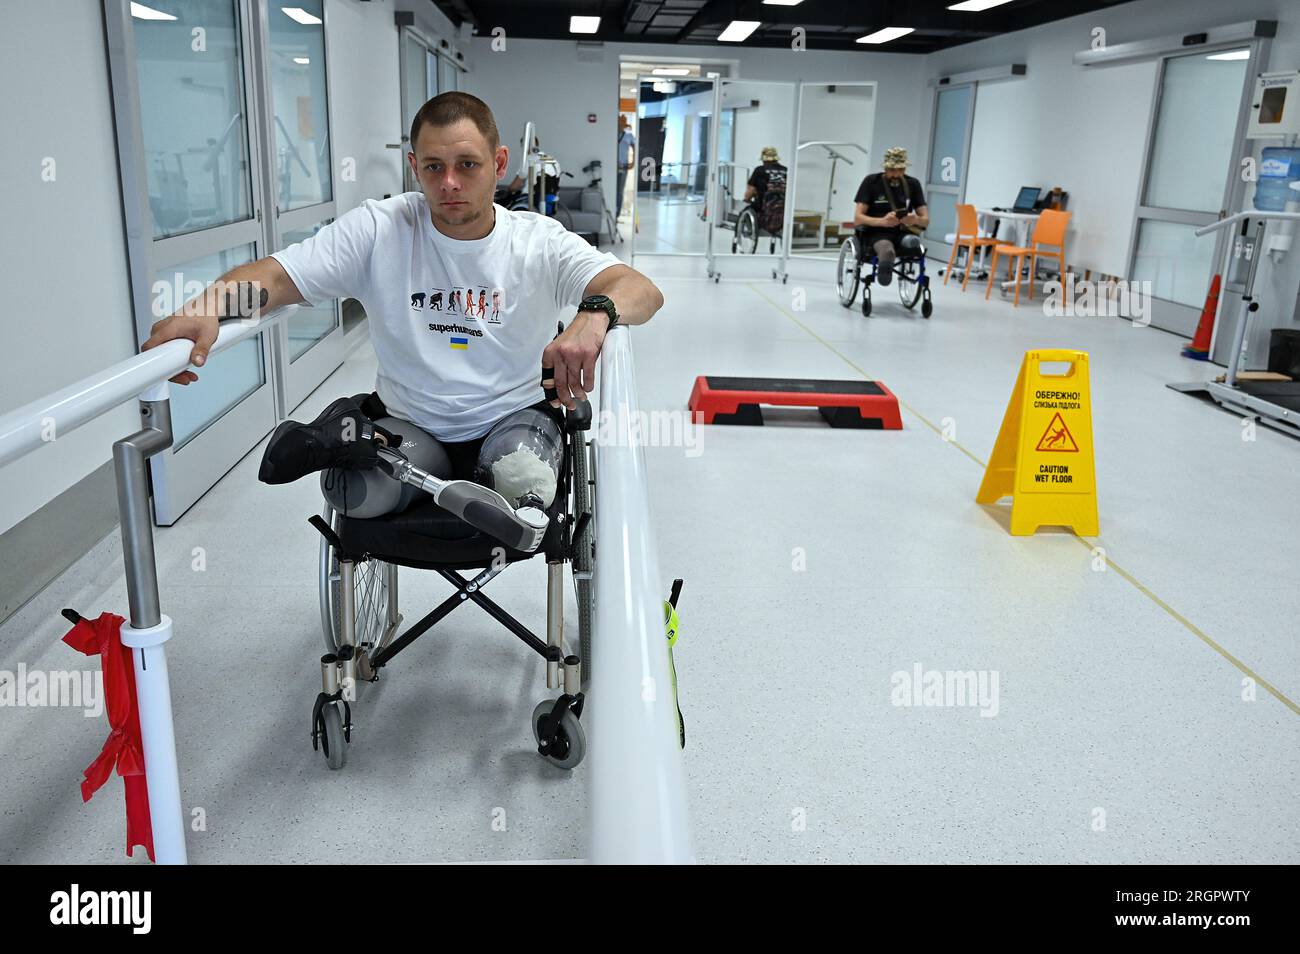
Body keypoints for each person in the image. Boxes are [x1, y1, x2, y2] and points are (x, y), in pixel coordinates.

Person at [143, 91, 664, 512]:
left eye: (468, 164)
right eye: (434, 167)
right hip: (411, 426)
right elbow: (279, 278)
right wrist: (207, 306)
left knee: (521, 486)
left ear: (500, 163)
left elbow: (641, 290)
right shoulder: (380, 227)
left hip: (511, 416)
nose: (450, 183)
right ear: (414, 166)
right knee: (359, 497)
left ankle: (372, 444)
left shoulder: (538, 240)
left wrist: (593, 316)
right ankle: (346, 440)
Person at [852, 146, 929, 286]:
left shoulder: (913, 184)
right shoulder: (871, 182)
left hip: (903, 231)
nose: (896, 174)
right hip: (876, 232)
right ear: (886, 168)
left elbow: (925, 221)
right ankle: (885, 271)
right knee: (887, 249)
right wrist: (882, 221)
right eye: (892, 170)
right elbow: (858, 218)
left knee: (913, 243)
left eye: (900, 170)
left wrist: (915, 219)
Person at [743, 146, 787, 237]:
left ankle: (750, 231)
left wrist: (746, 199)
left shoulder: (759, 170)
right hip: (784, 209)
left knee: (745, 209)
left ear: (764, 159)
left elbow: (751, 190)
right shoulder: (786, 170)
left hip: (764, 208)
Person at [616, 115, 636, 222]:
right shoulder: (612, 133)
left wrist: (633, 162)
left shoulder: (629, 135)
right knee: (612, 190)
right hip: (613, 167)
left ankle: (617, 215)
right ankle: (612, 212)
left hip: (623, 167)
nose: (622, 122)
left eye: (624, 120)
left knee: (620, 191)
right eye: (621, 120)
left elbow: (635, 148)